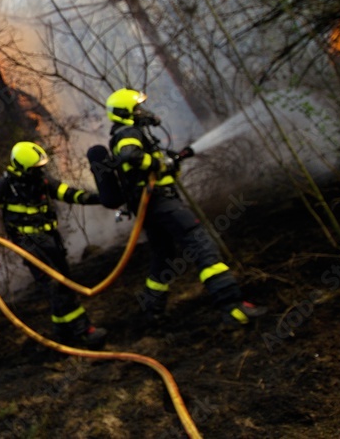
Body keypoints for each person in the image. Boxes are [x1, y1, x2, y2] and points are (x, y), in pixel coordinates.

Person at [105, 88, 266, 327]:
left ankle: (152, 309)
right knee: (201, 245)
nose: (142, 112)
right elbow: (130, 156)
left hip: (151, 207)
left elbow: (147, 166)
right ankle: (232, 306)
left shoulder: (128, 133)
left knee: (163, 255)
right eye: (137, 108)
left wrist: (171, 163)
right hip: (161, 203)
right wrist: (161, 163)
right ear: (124, 112)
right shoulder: (128, 133)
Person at [0, 141, 107, 349]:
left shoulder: (41, 180)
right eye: (35, 168)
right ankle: (84, 331)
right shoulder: (5, 185)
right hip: (29, 244)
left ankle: (62, 332)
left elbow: (67, 193)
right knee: (57, 285)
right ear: (22, 168)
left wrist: (98, 198)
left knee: (63, 283)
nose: (40, 171)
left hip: (50, 239)